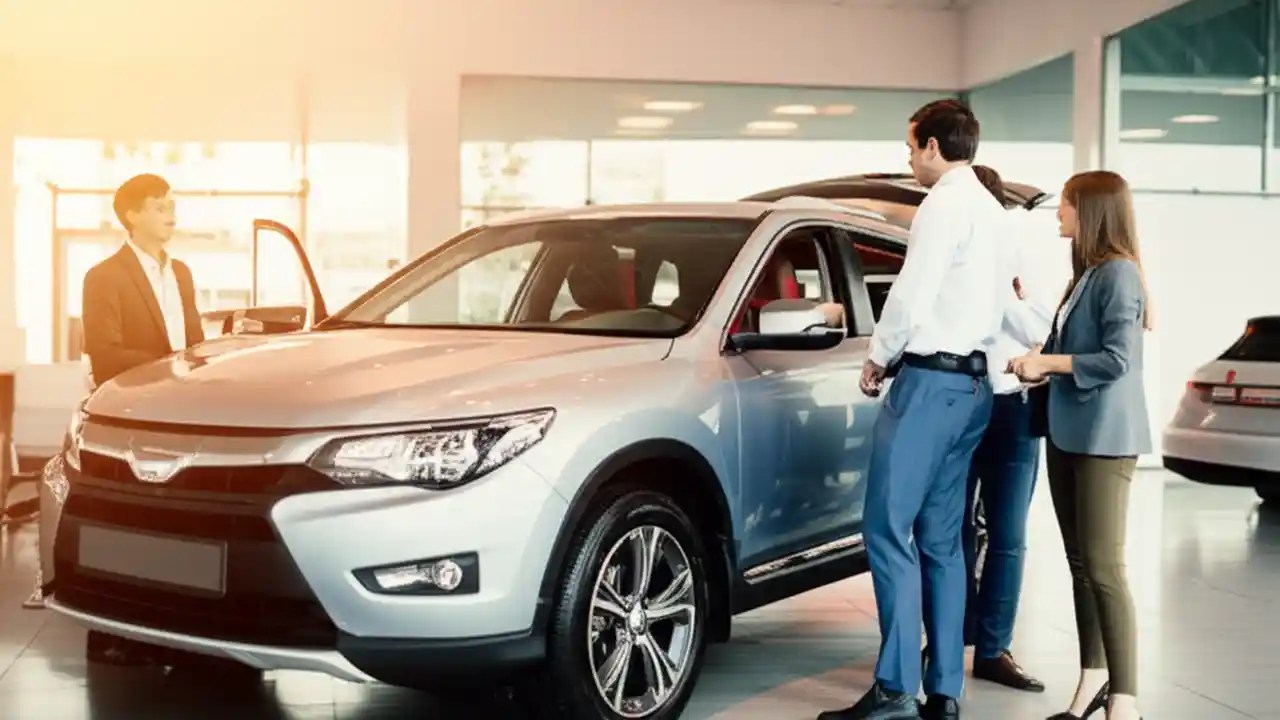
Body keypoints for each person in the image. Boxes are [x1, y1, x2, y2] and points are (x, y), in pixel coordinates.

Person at [818, 99, 1011, 720]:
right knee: (942, 542)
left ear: (933, 146)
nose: (908, 157)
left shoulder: (944, 204)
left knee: (885, 528)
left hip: (929, 386)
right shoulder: (991, 207)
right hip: (974, 389)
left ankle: (897, 688)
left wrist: (878, 356)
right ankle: (945, 693)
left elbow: (911, 291)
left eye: (910, 147)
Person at [1008, 170, 1151, 720]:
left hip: (1104, 438)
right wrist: (1036, 365)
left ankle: (1126, 701)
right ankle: (1093, 680)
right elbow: (1069, 349)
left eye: (1065, 204)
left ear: (1089, 211)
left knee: (1105, 567)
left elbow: (1116, 360)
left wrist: (1048, 362)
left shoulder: (1119, 274)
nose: (1059, 213)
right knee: (1079, 564)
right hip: (1068, 431)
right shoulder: (1086, 274)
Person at [53, 174, 205, 665]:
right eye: (160, 206)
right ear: (132, 215)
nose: (171, 214)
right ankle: (112, 633)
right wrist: (171, 364)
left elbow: (196, 340)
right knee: (124, 518)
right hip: (129, 412)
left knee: (177, 522)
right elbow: (105, 350)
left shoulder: (179, 272)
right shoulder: (104, 276)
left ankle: (174, 623)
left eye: (172, 205)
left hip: (184, 411)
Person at [959, 165, 1057, 692]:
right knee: (951, 531)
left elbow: (1043, 327)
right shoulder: (946, 252)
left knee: (1009, 535)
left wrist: (1003, 297)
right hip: (960, 401)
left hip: (1014, 404)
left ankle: (993, 649)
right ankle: (952, 638)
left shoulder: (1017, 251)